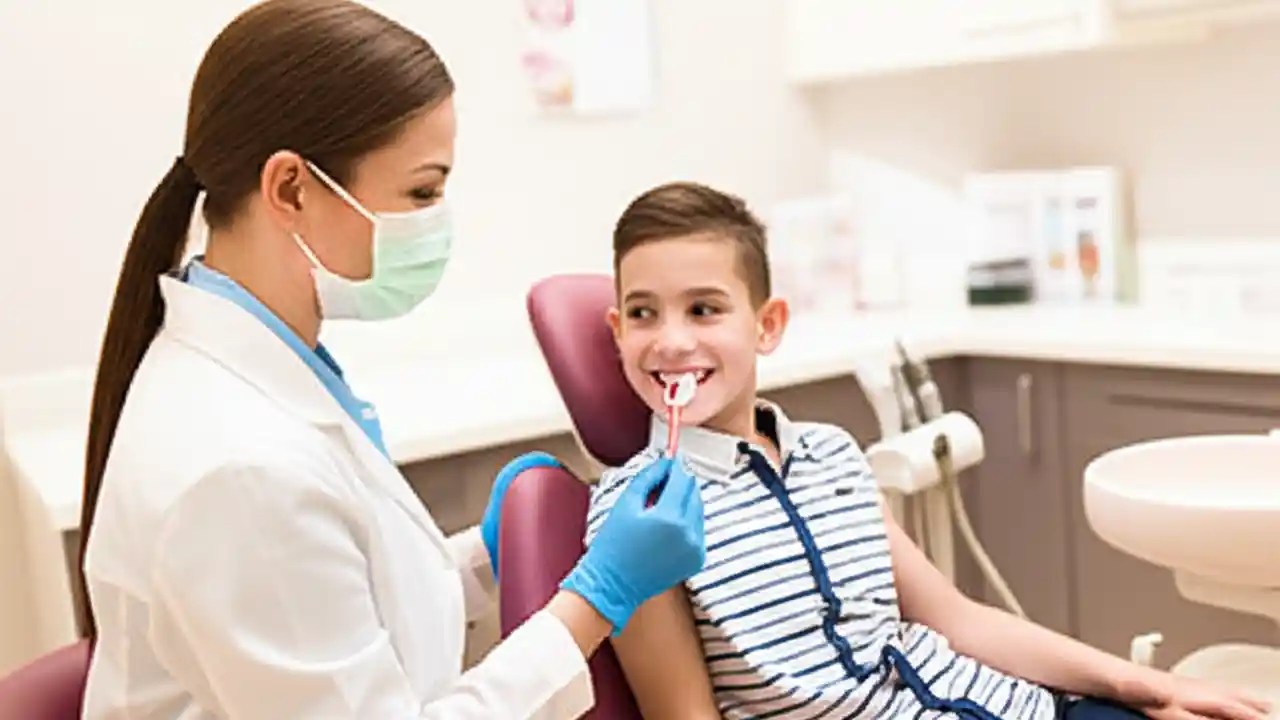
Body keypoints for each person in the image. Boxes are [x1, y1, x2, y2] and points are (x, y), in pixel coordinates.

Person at [76, 2, 705, 718]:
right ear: (290, 189)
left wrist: (482, 561)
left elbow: (348, 615)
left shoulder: (273, 370)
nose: (438, 219)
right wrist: (600, 598)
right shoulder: (238, 466)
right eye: (422, 191)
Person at [579, 180, 1273, 719]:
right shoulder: (637, 514)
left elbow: (955, 620)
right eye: (643, 313)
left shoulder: (831, 456)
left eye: (704, 309)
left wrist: (1140, 686)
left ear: (767, 325)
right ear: (617, 332)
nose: (670, 340)